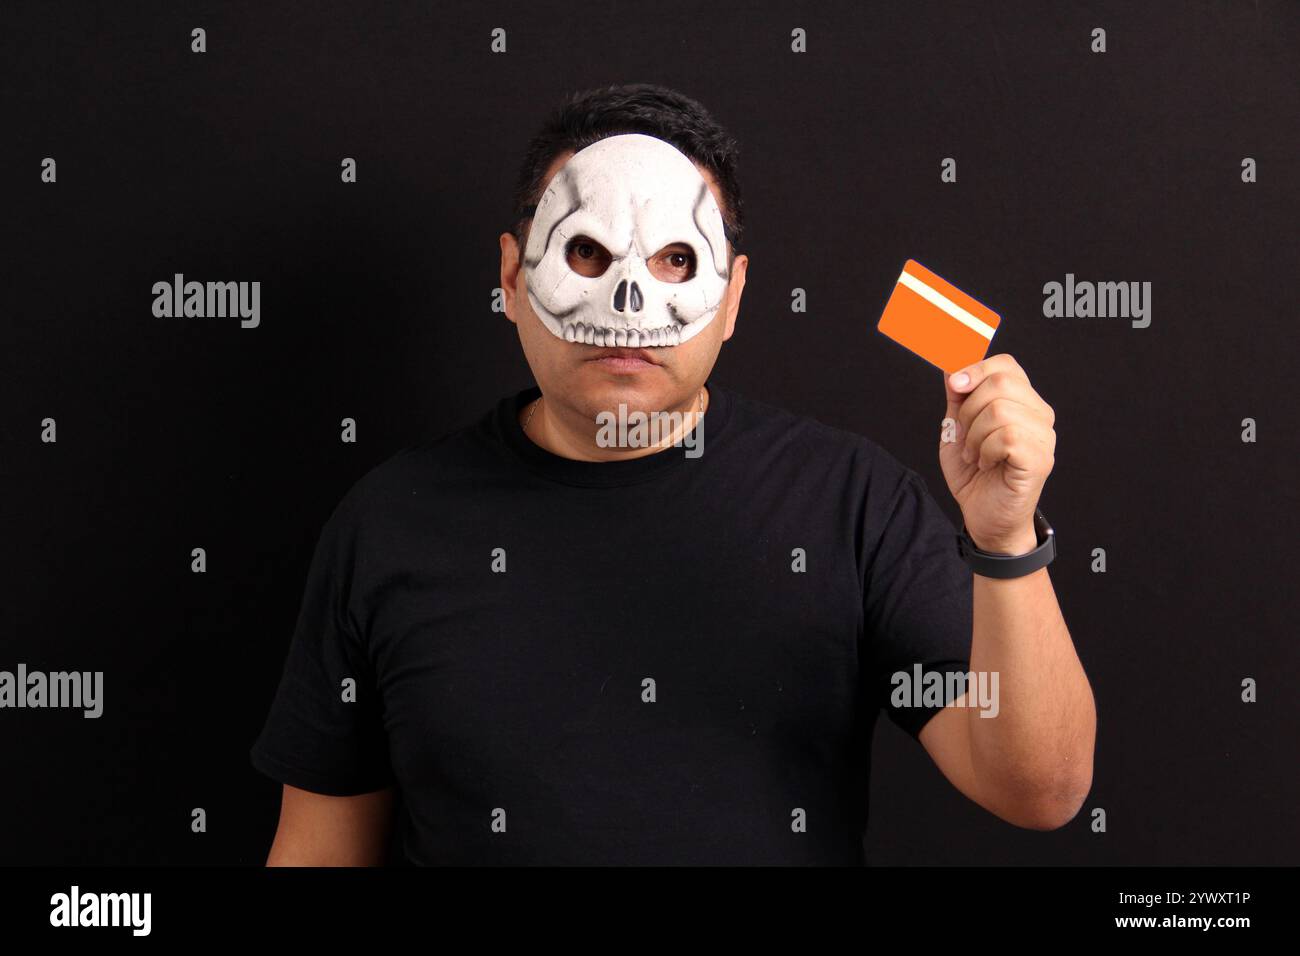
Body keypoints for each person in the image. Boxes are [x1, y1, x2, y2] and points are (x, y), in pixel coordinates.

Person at [250, 82, 1095, 866]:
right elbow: (318, 852)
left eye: (677, 262)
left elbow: (1040, 790)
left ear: (732, 298)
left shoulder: (853, 504)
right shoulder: (391, 524)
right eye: (586, 251)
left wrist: (1006, 540)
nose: (630, 307)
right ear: (512, 276)